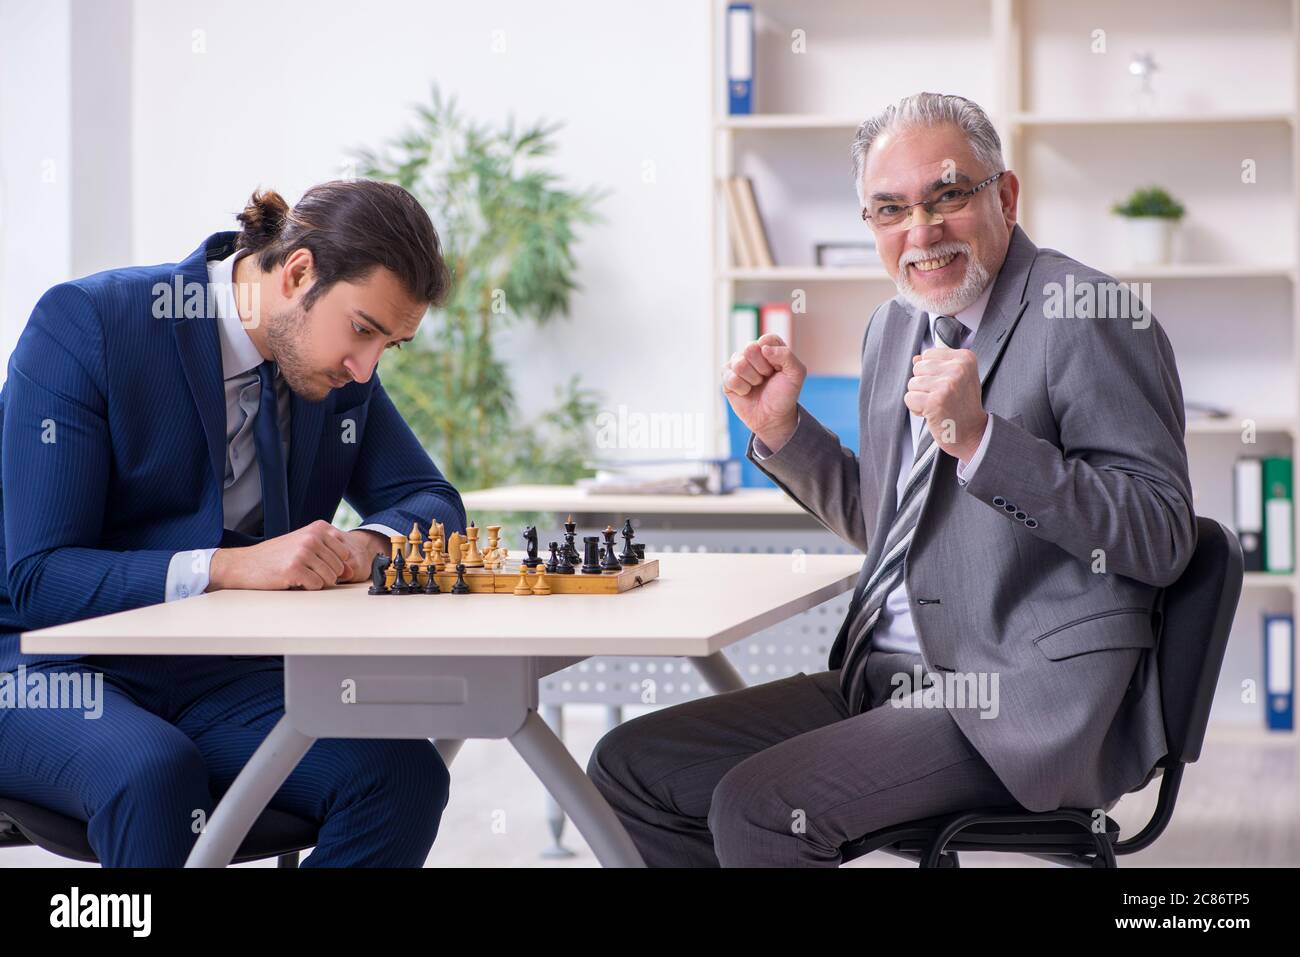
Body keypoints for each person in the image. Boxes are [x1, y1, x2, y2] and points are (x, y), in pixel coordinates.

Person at [588, 92, 1196, 867]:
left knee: (764, 807)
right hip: (881, 676)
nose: (922, 231)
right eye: (890, 209)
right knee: (632, 766)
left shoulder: (1089, 314)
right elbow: (891, 524)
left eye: (948, 196)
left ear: (1004, 196)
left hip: (1020, 697)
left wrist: (981, 441)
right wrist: (782, 431)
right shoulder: (894, 324)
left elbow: (1163, 536)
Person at [0, 180, 465, 866]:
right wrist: (230, 566)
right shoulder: (90, 324)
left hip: (217, 676)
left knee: (400, 776)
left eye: (388, 346)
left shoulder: (334, 371)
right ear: (298, 271)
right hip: (51, 666)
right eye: (364, 329)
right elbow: (37, 579)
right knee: (153, 773)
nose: (366, 368)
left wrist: (368, 544)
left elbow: (432, 501)